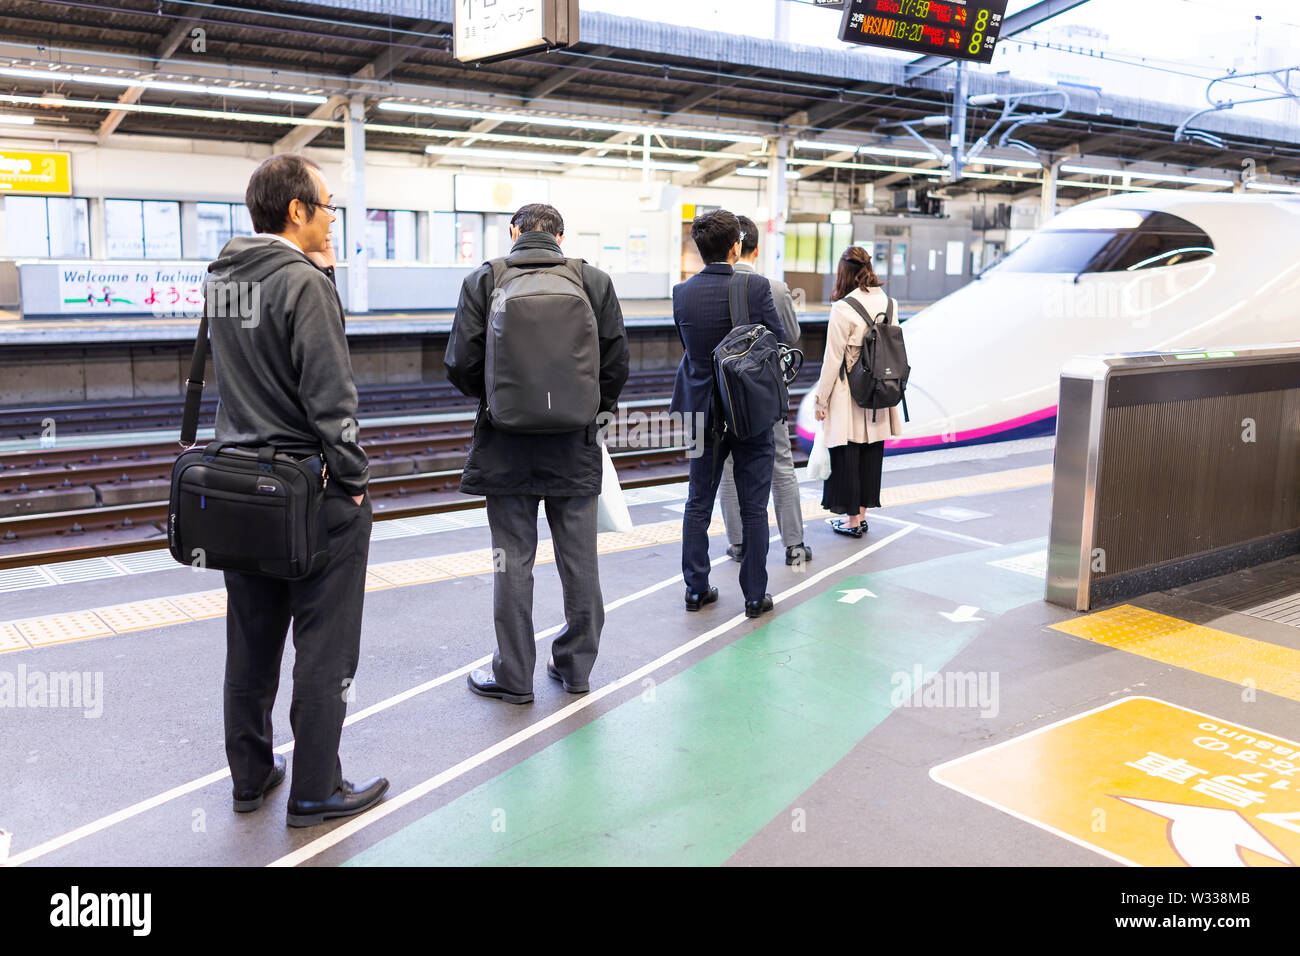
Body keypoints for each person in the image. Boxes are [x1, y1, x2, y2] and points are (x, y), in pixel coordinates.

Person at [207, 153, 388, 828]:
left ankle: (250, 777)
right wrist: (356, 480)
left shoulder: (224, 275)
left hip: (236, 490)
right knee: (325, 646)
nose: (334, 215)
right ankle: (316, 790)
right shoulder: (303, 285)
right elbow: (331, 399)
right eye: (328, 203)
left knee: (250, 641)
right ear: (297, 210)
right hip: (307, 493)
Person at [446, 203, 629, 704]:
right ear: (561, 238)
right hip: (574, 445)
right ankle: (575, 669)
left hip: (505, 447)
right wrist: (585, 410)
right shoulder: (594, 282)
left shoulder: (484, 281)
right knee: (580, 562)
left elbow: (459, 364)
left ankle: (513, 677)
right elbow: (616, 365)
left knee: (512, 564)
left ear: (514, 233)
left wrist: (499, 397)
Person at [671, 210, 785, 618]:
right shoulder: (754, 287)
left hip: (703, 410)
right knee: (753, 506)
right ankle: (754, 595)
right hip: (749, 411)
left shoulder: (681, 293)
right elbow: (780, 340)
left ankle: (696, 588)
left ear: (699, 249)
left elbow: (689, 346)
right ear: (735, 247)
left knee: (698, 501)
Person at [718, 215, 812, 569]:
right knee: (781, 463)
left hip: (725, 394)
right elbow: (790, 334)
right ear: (754, 249)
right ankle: (794, 545)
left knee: (729, 466)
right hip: (766, 394)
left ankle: (739, 543)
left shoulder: (709, 285)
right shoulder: (775, 287)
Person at [814, 246, 903, 537]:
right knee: (870, 451)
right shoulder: (889, 303)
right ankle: (862, 515)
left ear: (844, 273)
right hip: (879, 388)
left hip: (848, 390)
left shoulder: (843, 308)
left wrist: (821, 399)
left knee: (849, 452)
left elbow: (832, 358)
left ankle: (852, 521)